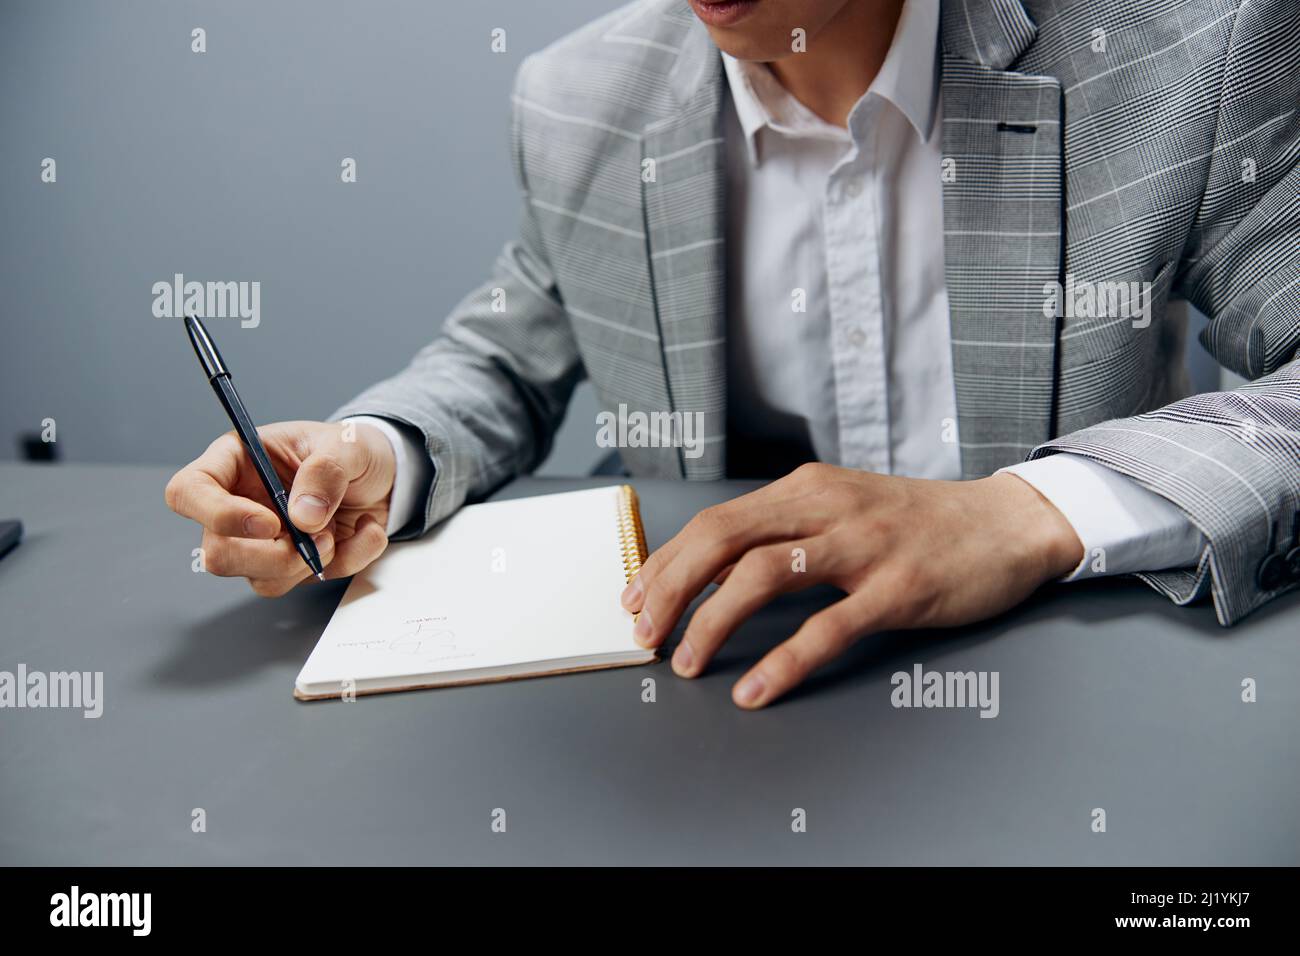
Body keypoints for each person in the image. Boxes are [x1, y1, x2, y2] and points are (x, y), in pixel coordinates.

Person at [165, 0, 1300, 709]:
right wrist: (377, 450)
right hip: (701, 708)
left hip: (1067, 688)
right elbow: (505, 357)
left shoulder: (1184, 53)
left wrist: (1025, 512)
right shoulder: (579, 102)